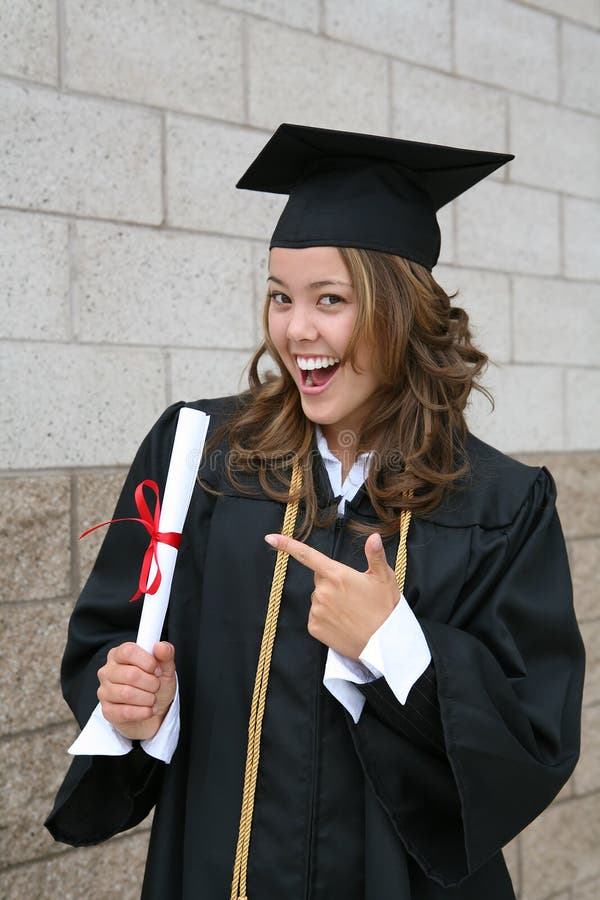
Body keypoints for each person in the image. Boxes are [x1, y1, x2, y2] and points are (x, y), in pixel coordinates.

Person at [46, 124, 584, 900]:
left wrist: (398, 646)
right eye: (280, 297)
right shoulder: (202, 457)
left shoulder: (498, 502)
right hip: (217, 868)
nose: (298, 330)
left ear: (399, 311)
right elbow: (114, 637)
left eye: (331, 299)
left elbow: (534, 735)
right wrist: (142, 710)